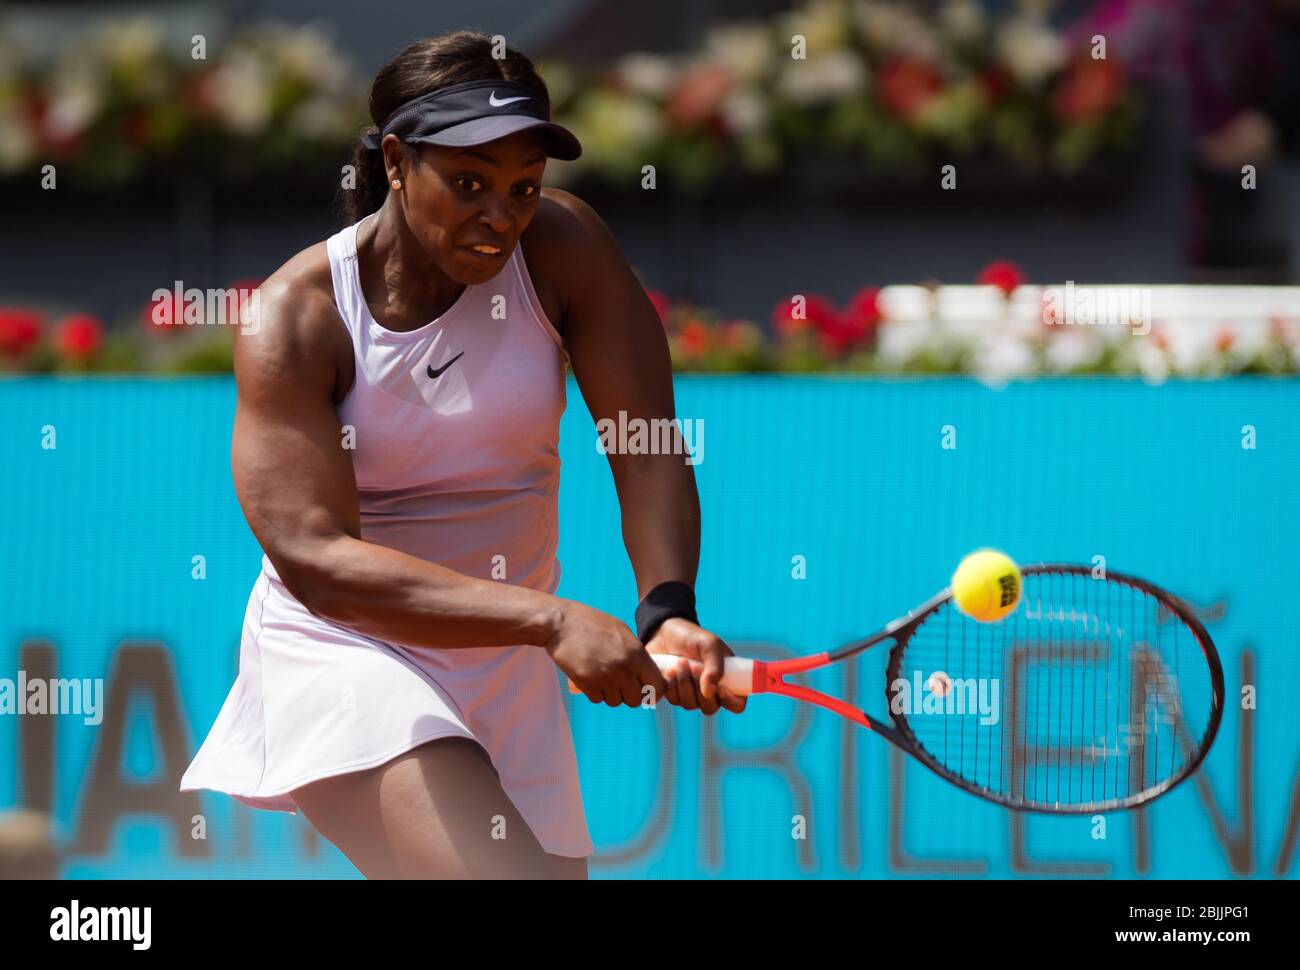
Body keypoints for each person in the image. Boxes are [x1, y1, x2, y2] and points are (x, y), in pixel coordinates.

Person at [181, 30, 744, 880]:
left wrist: (668, 608)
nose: (502, 216)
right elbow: (318, 560)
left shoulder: (564, 250)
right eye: (469, 184)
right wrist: (549, 619)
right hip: (348, 649)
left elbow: (647, 447)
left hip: (504, 662)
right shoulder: (296, 316)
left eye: (523, 188)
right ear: (398, 162)